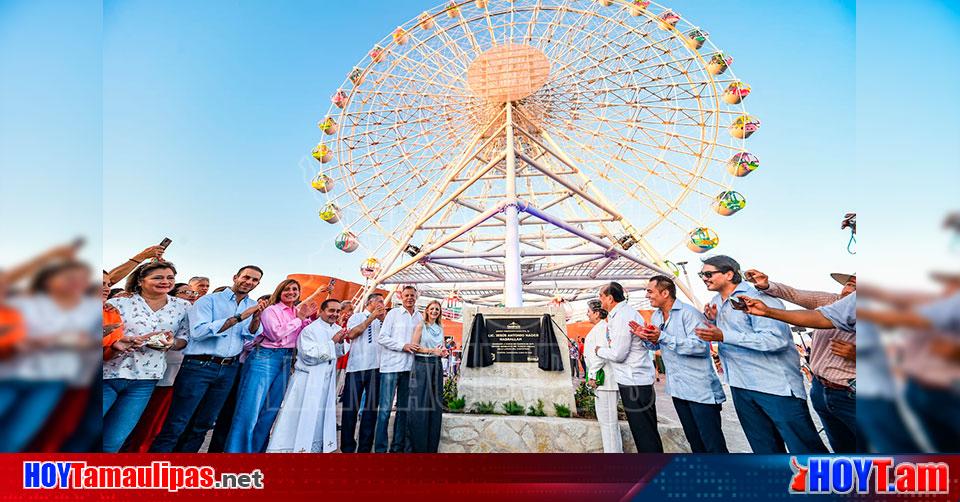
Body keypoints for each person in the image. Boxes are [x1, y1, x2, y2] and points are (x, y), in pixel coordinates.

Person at [696, 256, 827, 454]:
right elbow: (733, 335)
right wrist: (713, 323)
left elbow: (776, 341)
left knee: (804, 450)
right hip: (741, 385)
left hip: (774, 387)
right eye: (701, 274)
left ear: (729, 274)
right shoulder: (716, 302)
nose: (704, 278)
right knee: (764, 450)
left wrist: (723, 335)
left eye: (708, 274)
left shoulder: (759, 297)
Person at [149, 265, 266, 453]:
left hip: (228, 368)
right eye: (246, 277)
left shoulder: (250, 305)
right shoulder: (209, 300)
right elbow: (199, 332)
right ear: (235, 277)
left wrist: (255, 319)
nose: (249, 282)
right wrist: (239, 317)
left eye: (254, 280)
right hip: (199, 366)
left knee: (203, 424)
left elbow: (249, 336)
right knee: (178, 422)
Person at [744, 269, 859, 453]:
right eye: (849, 283)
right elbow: (794, 294)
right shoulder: (830, 301)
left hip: (852, 394)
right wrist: (766, 286)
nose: (849, 289)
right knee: (842, 450)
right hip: (821, 389)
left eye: (856, 285)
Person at [631, 275, 728, 453]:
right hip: (678, 390)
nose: (647, 296)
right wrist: (646, 338)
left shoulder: (689, 314)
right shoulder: (657, 316)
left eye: (650, 291)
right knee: (694, 440)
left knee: (713, 444)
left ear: (665, 293)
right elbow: (658, 344)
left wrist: (662, 337)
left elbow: (700, 347)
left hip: (700, 391)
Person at [102, 262, 188, 452]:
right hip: (108, 374)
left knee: (114, 440)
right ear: (141, 281)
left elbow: (184, 338)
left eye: (170, 278)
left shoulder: (183, 306)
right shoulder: (118, 302)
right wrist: (121, 340)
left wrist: (170, 344)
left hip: (145, 380)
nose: (165, 282)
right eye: (158, 277)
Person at [225, 279, 318, 453]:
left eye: (295, 289)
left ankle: (257, 451)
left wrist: (307, 320)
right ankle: (236, 452)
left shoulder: (296, 312)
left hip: (286, 359)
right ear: (279, 292)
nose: (291, 292)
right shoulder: (271, 310)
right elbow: (275, 334)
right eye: (287, 289)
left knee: (270, 410)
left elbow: (303, 335)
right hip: (265, 358)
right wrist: (299, 320)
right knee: (249, 410)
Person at [121, 283, 198, 452]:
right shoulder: (150, 311)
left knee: (152, 420)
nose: (192, 295)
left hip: (169, 375)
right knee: (131, 419)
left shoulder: (189, 315)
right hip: (137, 372)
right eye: (186, 292)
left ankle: (139, 453)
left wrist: (172, 343)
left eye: (194, 292)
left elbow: (183, 341)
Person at [266, 299, 347, 453]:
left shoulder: (336, 328)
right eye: (331, 311)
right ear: (322, 311)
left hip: (325, 379)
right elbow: (308, 355)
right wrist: (333, 342)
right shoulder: (310, 330)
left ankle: (314, 447)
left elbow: (338, 353)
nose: (335, 314)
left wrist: (340, 343)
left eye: (337, 311)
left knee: (319, 415)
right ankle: (288, 448)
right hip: (308, 379)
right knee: (299, 415)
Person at [593, 282, 663, 453]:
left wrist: (599, 350)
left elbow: (618, 354)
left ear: (610, 298)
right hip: (633, 380)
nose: (599, 301)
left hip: (634, 382)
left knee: (644, 433)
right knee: (644, 431)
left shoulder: (623, 316)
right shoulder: (621, 314)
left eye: (601, 297)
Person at [374, 285, 421, 453]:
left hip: (409, 368)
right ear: (401, 296)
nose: (409, 298)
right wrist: (403, 346)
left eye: (412, 295)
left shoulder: (419, 317)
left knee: (403, 410)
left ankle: (397, 447)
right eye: (407, 295)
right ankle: (380, 449)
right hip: (391, 367)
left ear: (417, 297)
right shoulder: (393, 314)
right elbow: (382, 338)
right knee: (385, 410)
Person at [341, 293, 386, 453]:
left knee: (371, 410)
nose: (382, 304)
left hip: (377, 369)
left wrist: (381, 319)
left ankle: (365, 448)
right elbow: (352, 334)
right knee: (350, 409)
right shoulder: (357, 316)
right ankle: (347, 447)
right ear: (370, 302)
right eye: (380, 301)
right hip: (356, 368)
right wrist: (371, 318)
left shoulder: (383, 320)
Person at [406, 300, 447, 453]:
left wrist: (442, 352)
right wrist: (431, 351)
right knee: (420, 406)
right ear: (427, 310)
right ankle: (417, 447)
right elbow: (414, 348)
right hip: (422, 366)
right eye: (432, 309)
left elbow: (440, 347)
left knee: (434, 405)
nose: (434, 311)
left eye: (437, 309)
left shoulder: (440, 328)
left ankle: (431, 447)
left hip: (436, 366)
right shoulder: (420, 326)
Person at [583, 299, 622, 453]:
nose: (587, 314)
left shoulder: (601, 329)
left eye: (589, 311)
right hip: (604, 383)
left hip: (605, 382)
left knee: (609, 424)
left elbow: (601, 354)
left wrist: (592, 376)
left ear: (597, 313)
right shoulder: (599, 328)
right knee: (607, 423)